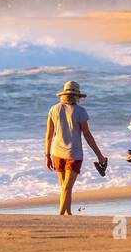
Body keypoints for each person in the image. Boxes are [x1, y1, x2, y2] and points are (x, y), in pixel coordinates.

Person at [45, 80, 106, 216]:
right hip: (74, 154)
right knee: (66, 187)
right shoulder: (80, 111)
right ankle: (60, 216)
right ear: (77, 96)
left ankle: (68, 213)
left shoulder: (53, 109)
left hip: (56, 153)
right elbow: (88, 136)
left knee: (65, 187)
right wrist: (99, 155)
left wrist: (47, 155)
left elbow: (48, 135)